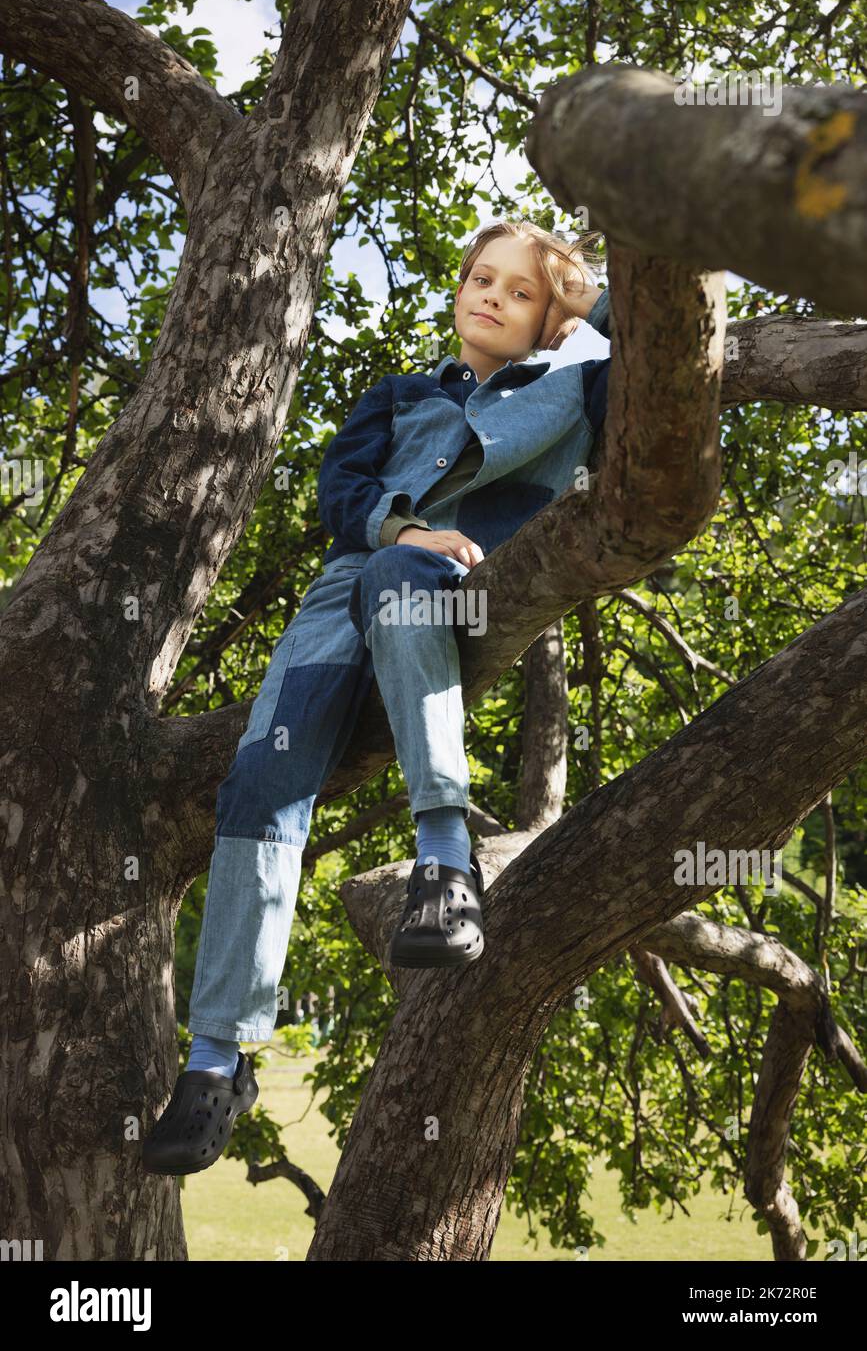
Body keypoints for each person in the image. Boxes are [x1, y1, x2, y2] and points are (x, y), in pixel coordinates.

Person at [142, 218, 610, 1175]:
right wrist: (399, 525)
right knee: (258, 792)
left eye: (520, 292)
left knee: (400, 586)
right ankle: (216, 1059)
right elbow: (340, 486)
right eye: (480, 278)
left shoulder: (574, 386)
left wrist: (578, 293)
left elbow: (645, 329)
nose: (489, 296)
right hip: (340, 596)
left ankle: (444, 862)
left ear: (552, 318)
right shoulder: (398, 394)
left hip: (461, 589)